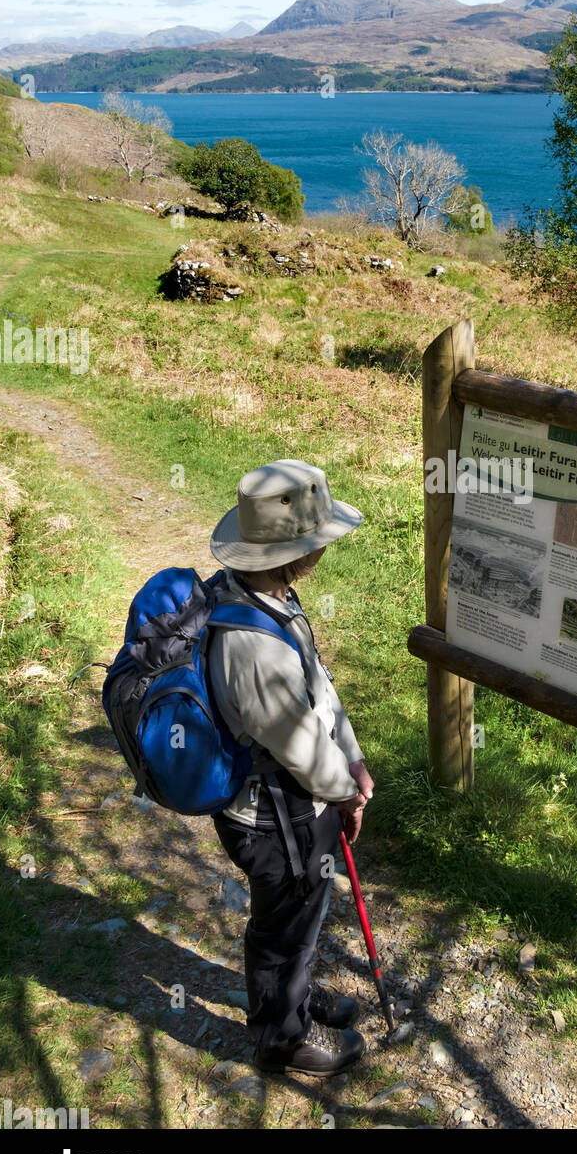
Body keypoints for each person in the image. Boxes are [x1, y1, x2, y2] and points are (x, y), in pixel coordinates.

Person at [206, 459, 374, 1078]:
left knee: (297, 915)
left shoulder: (264, 596)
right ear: (289, 554)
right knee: (283, 920)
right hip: (274, 816)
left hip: (295, 802)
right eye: (317, 543)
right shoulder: (251, 646)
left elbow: (318, 688)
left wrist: (352, 757)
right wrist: (346, 792)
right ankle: (282, 1038)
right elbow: (301, 745)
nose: (324, 553)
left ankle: (293, 995)